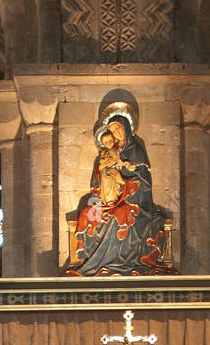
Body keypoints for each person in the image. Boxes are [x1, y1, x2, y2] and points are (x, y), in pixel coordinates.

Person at [67, 113, 173, 276]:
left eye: (118, 129)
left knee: (118, 217)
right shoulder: (105, 155)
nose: (116, 133)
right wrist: (102, 183)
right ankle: (91, 261)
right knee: (89, 214)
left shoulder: (136, 150)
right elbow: (95, 185)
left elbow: (144, 184)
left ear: (126, 129)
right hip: (107, 198)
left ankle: (118, 263)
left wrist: (123, 181)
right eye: (112, 130)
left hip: (133, 199)